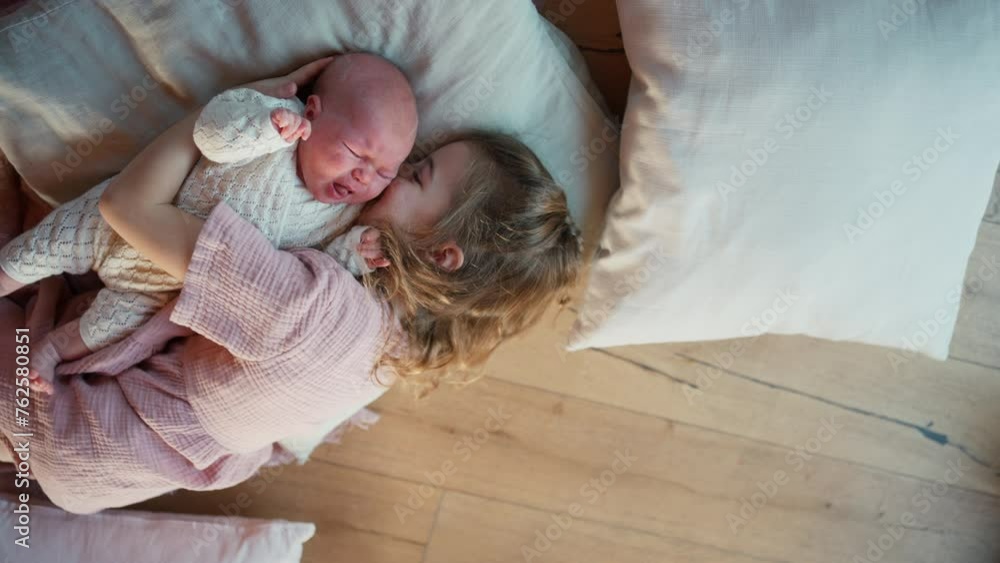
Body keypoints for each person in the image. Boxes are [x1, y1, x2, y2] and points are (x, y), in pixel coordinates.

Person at [0, 58, 583, 514]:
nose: (388, 175)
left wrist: (222, 114)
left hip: (87, 429)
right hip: (156, 449)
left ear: (443, 253)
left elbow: (125, 205)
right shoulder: (399, 336)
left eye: (416, 173)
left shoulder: (308, 306)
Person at [0, 55, 416, 384]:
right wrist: (265, 127)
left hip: (155, 288)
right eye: (356, 152)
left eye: (384, 172)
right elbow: (210, 133)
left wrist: (356, 253)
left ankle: (53, 348)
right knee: (37, 249)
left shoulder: (342, 216)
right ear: (313, 111)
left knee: (106, 329)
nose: (365, 176)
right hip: (105, 224)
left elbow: (318, 268)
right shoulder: (278, 120)